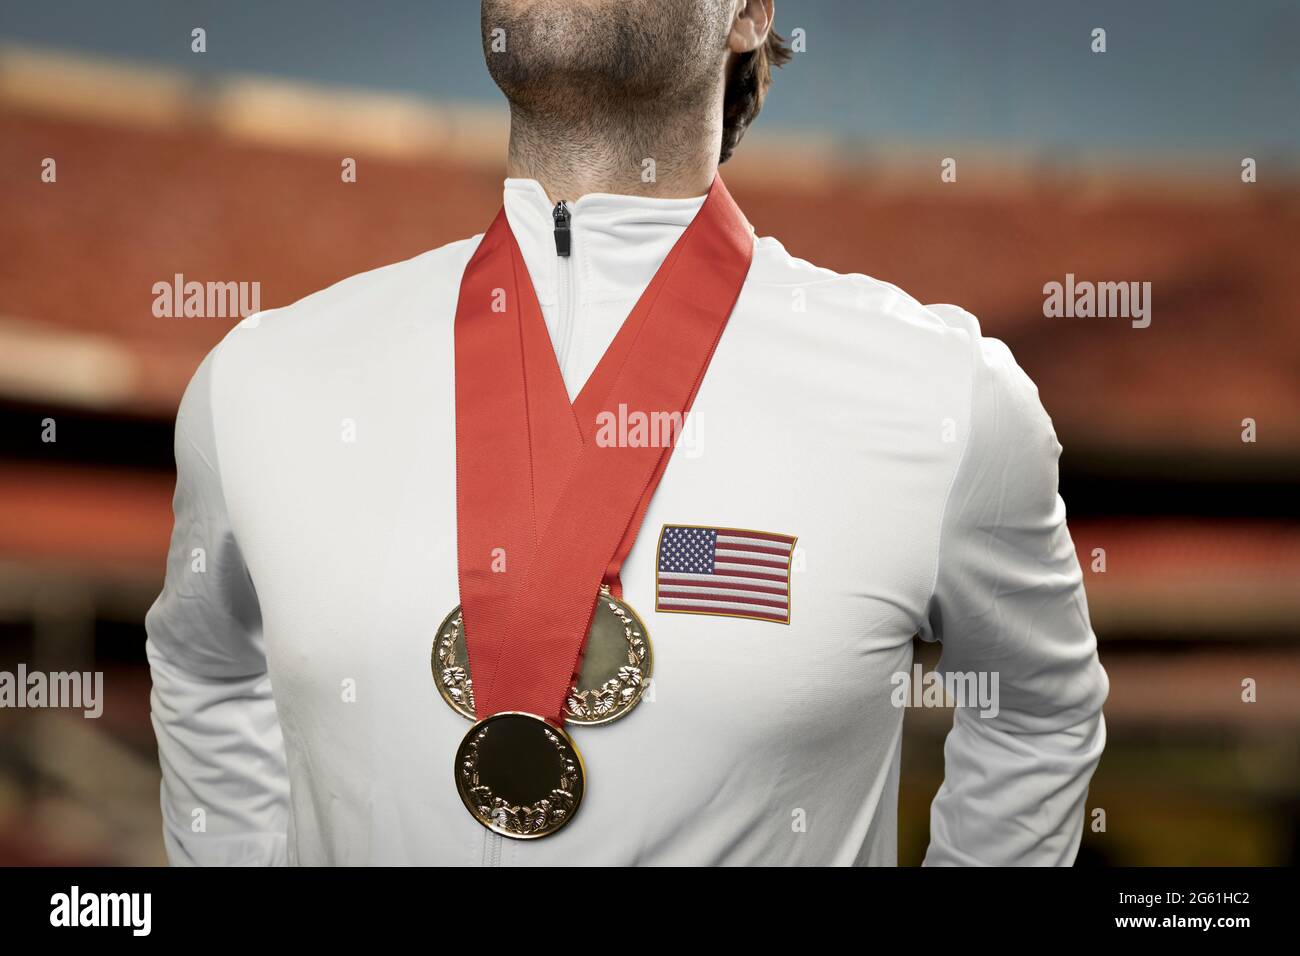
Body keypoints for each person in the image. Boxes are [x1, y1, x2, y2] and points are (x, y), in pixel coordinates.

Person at [146, 0, 1107, 866]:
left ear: (748, 14)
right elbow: (201, 665)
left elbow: (1039, 713)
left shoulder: (941, 395)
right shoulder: (262, 380)